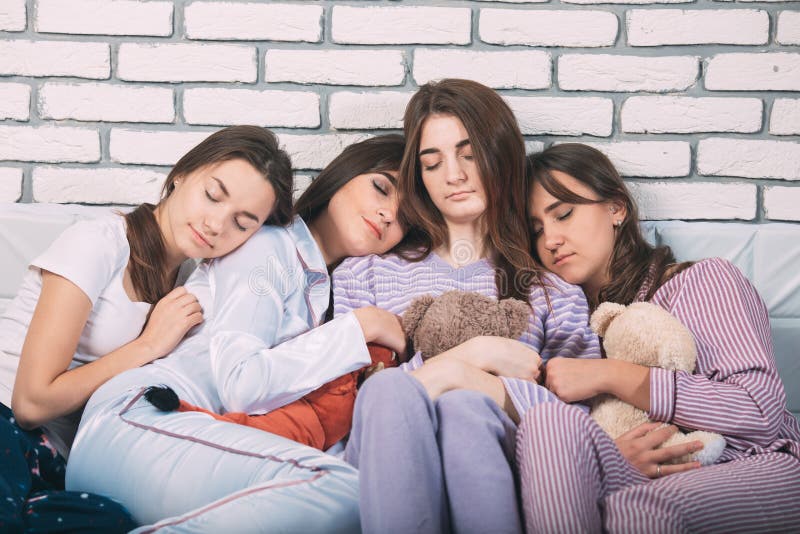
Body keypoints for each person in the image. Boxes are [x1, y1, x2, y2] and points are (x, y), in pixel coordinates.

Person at [65, 134, 411, 532]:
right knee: (344, 492)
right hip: (137, 421)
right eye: (381, 188)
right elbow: (241, 383)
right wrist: (361, 328)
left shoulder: (323, 292)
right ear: (343, 175)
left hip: (191, 445)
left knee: (353, 501)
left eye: (406, 219)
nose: (388, 214)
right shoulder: (269, 245)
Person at [334, 79, 602, 534]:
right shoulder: (365, 274)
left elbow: (577, 421)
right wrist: (468, 360)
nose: (453, 176)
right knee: (387, 392)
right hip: (381, 470)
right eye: (432, 163)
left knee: (465, 411)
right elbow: (350, 406)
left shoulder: (551, 291)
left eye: (469, 154)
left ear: (500, 154)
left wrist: (469, 385)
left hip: (496, 464)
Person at [0, 125, 292, 532]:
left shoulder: (196, 284)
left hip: (64, 462)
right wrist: (148, 345)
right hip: (8, 425)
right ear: (181, 175)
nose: (216, 225)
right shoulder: (99, 243)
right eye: (212, 195)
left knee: (115, 522)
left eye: (242, 224)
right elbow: (30, 404)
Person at [519, 143, 800, 532]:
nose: (550, 239)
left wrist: (613, 374)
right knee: (546, 424)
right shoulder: (569, 331)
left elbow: (760, 413)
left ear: (616, 208)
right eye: (536, 230)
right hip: (654, 480)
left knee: (639, 510)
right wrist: (614, 462)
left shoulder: (701, 281)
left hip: (759, 462)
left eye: (564, 214)